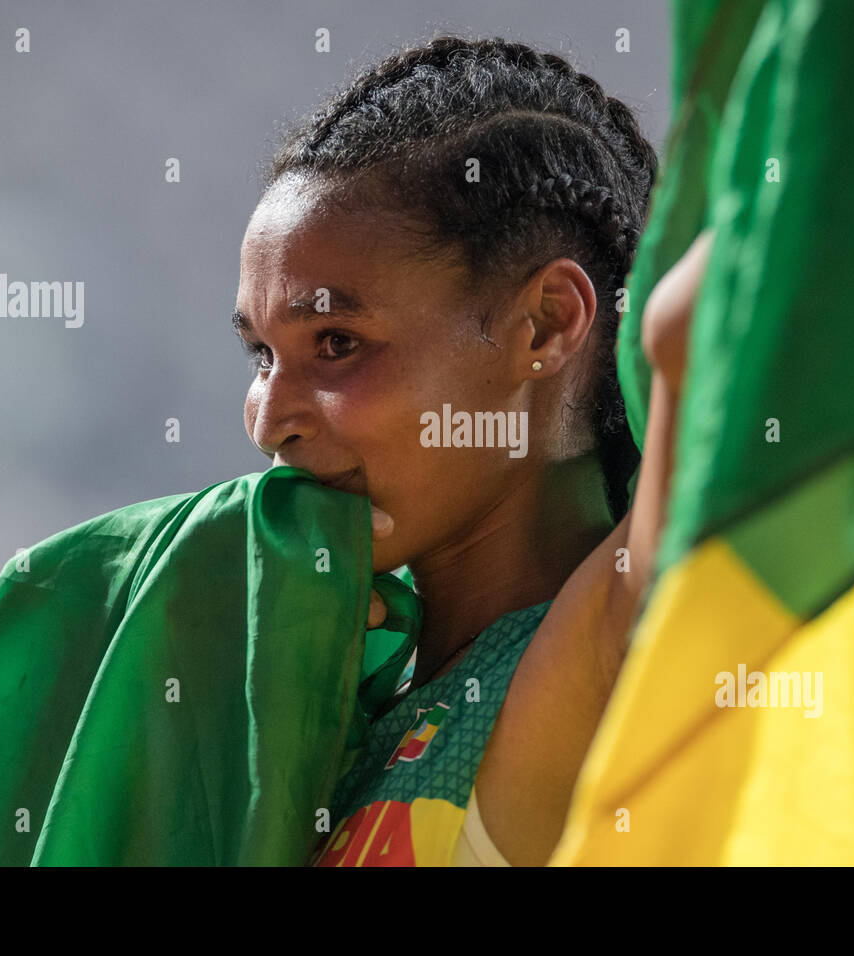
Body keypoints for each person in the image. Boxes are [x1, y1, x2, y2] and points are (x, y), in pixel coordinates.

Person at [233, 33, 711, 866]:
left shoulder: (598, 660)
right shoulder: (347, 715)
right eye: (262, 356)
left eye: (337, 343)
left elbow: (712, 317)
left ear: (548, 323)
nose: (269, 420)